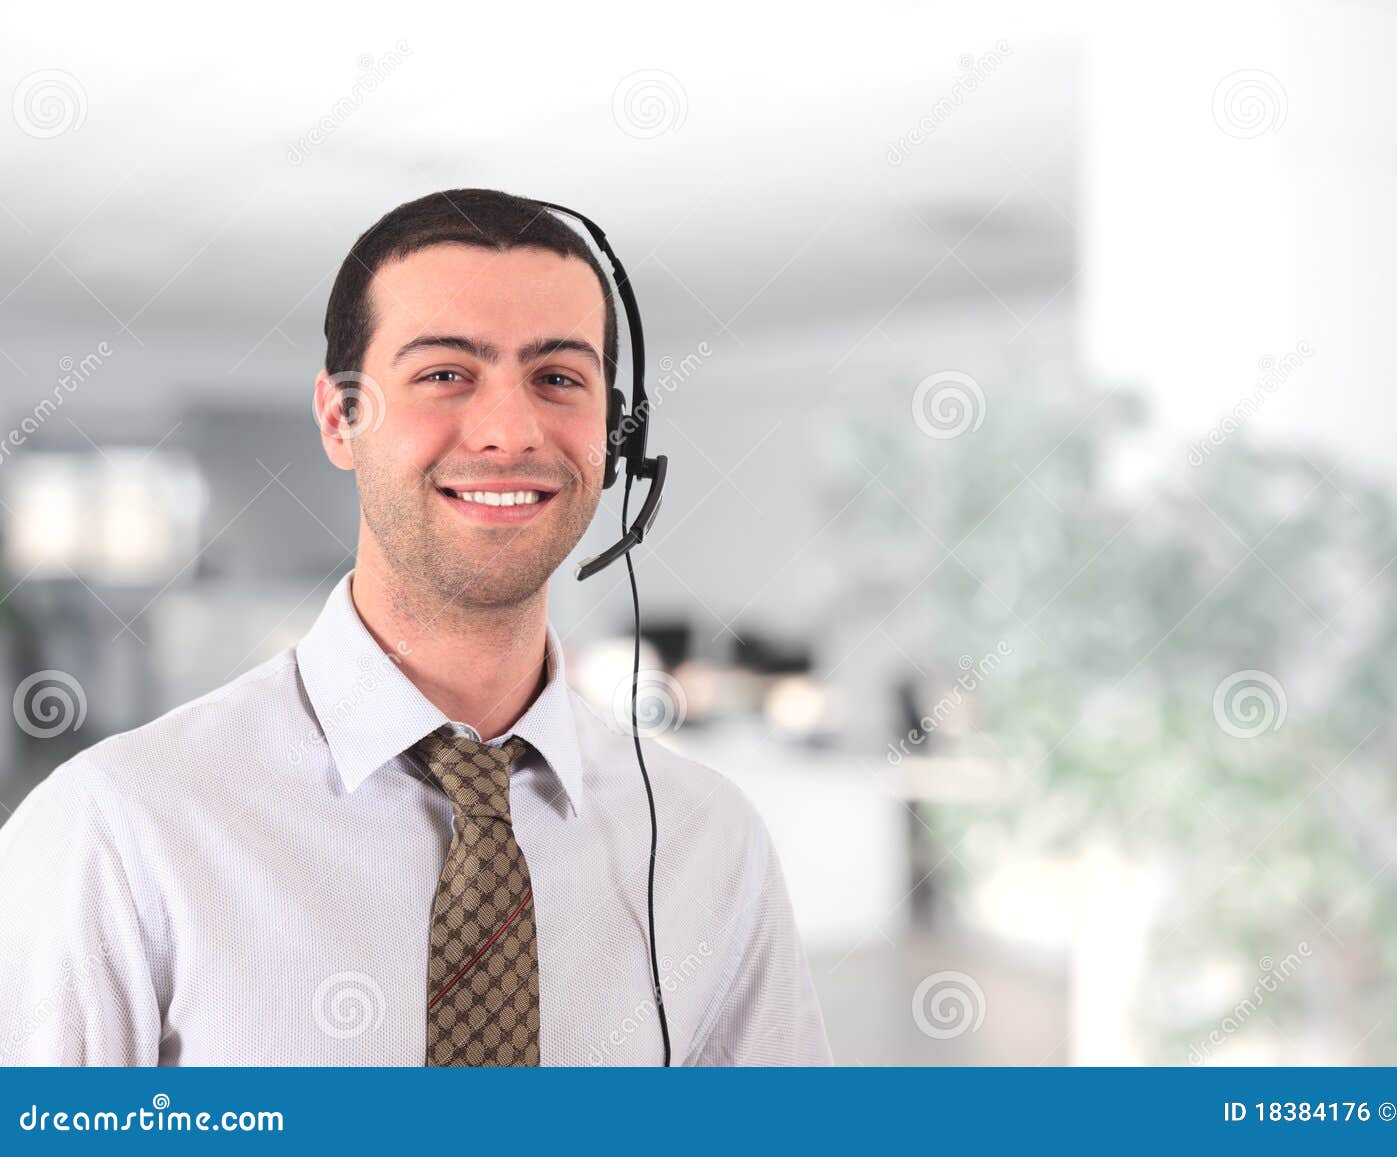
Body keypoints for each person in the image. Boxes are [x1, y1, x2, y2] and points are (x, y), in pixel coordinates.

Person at [0, 188, 832, 1067]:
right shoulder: (117, 830)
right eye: (444, 374)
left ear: (616, 437)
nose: (511, 430)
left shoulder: (711, 842)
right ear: (340, 418)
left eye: (558, 378)